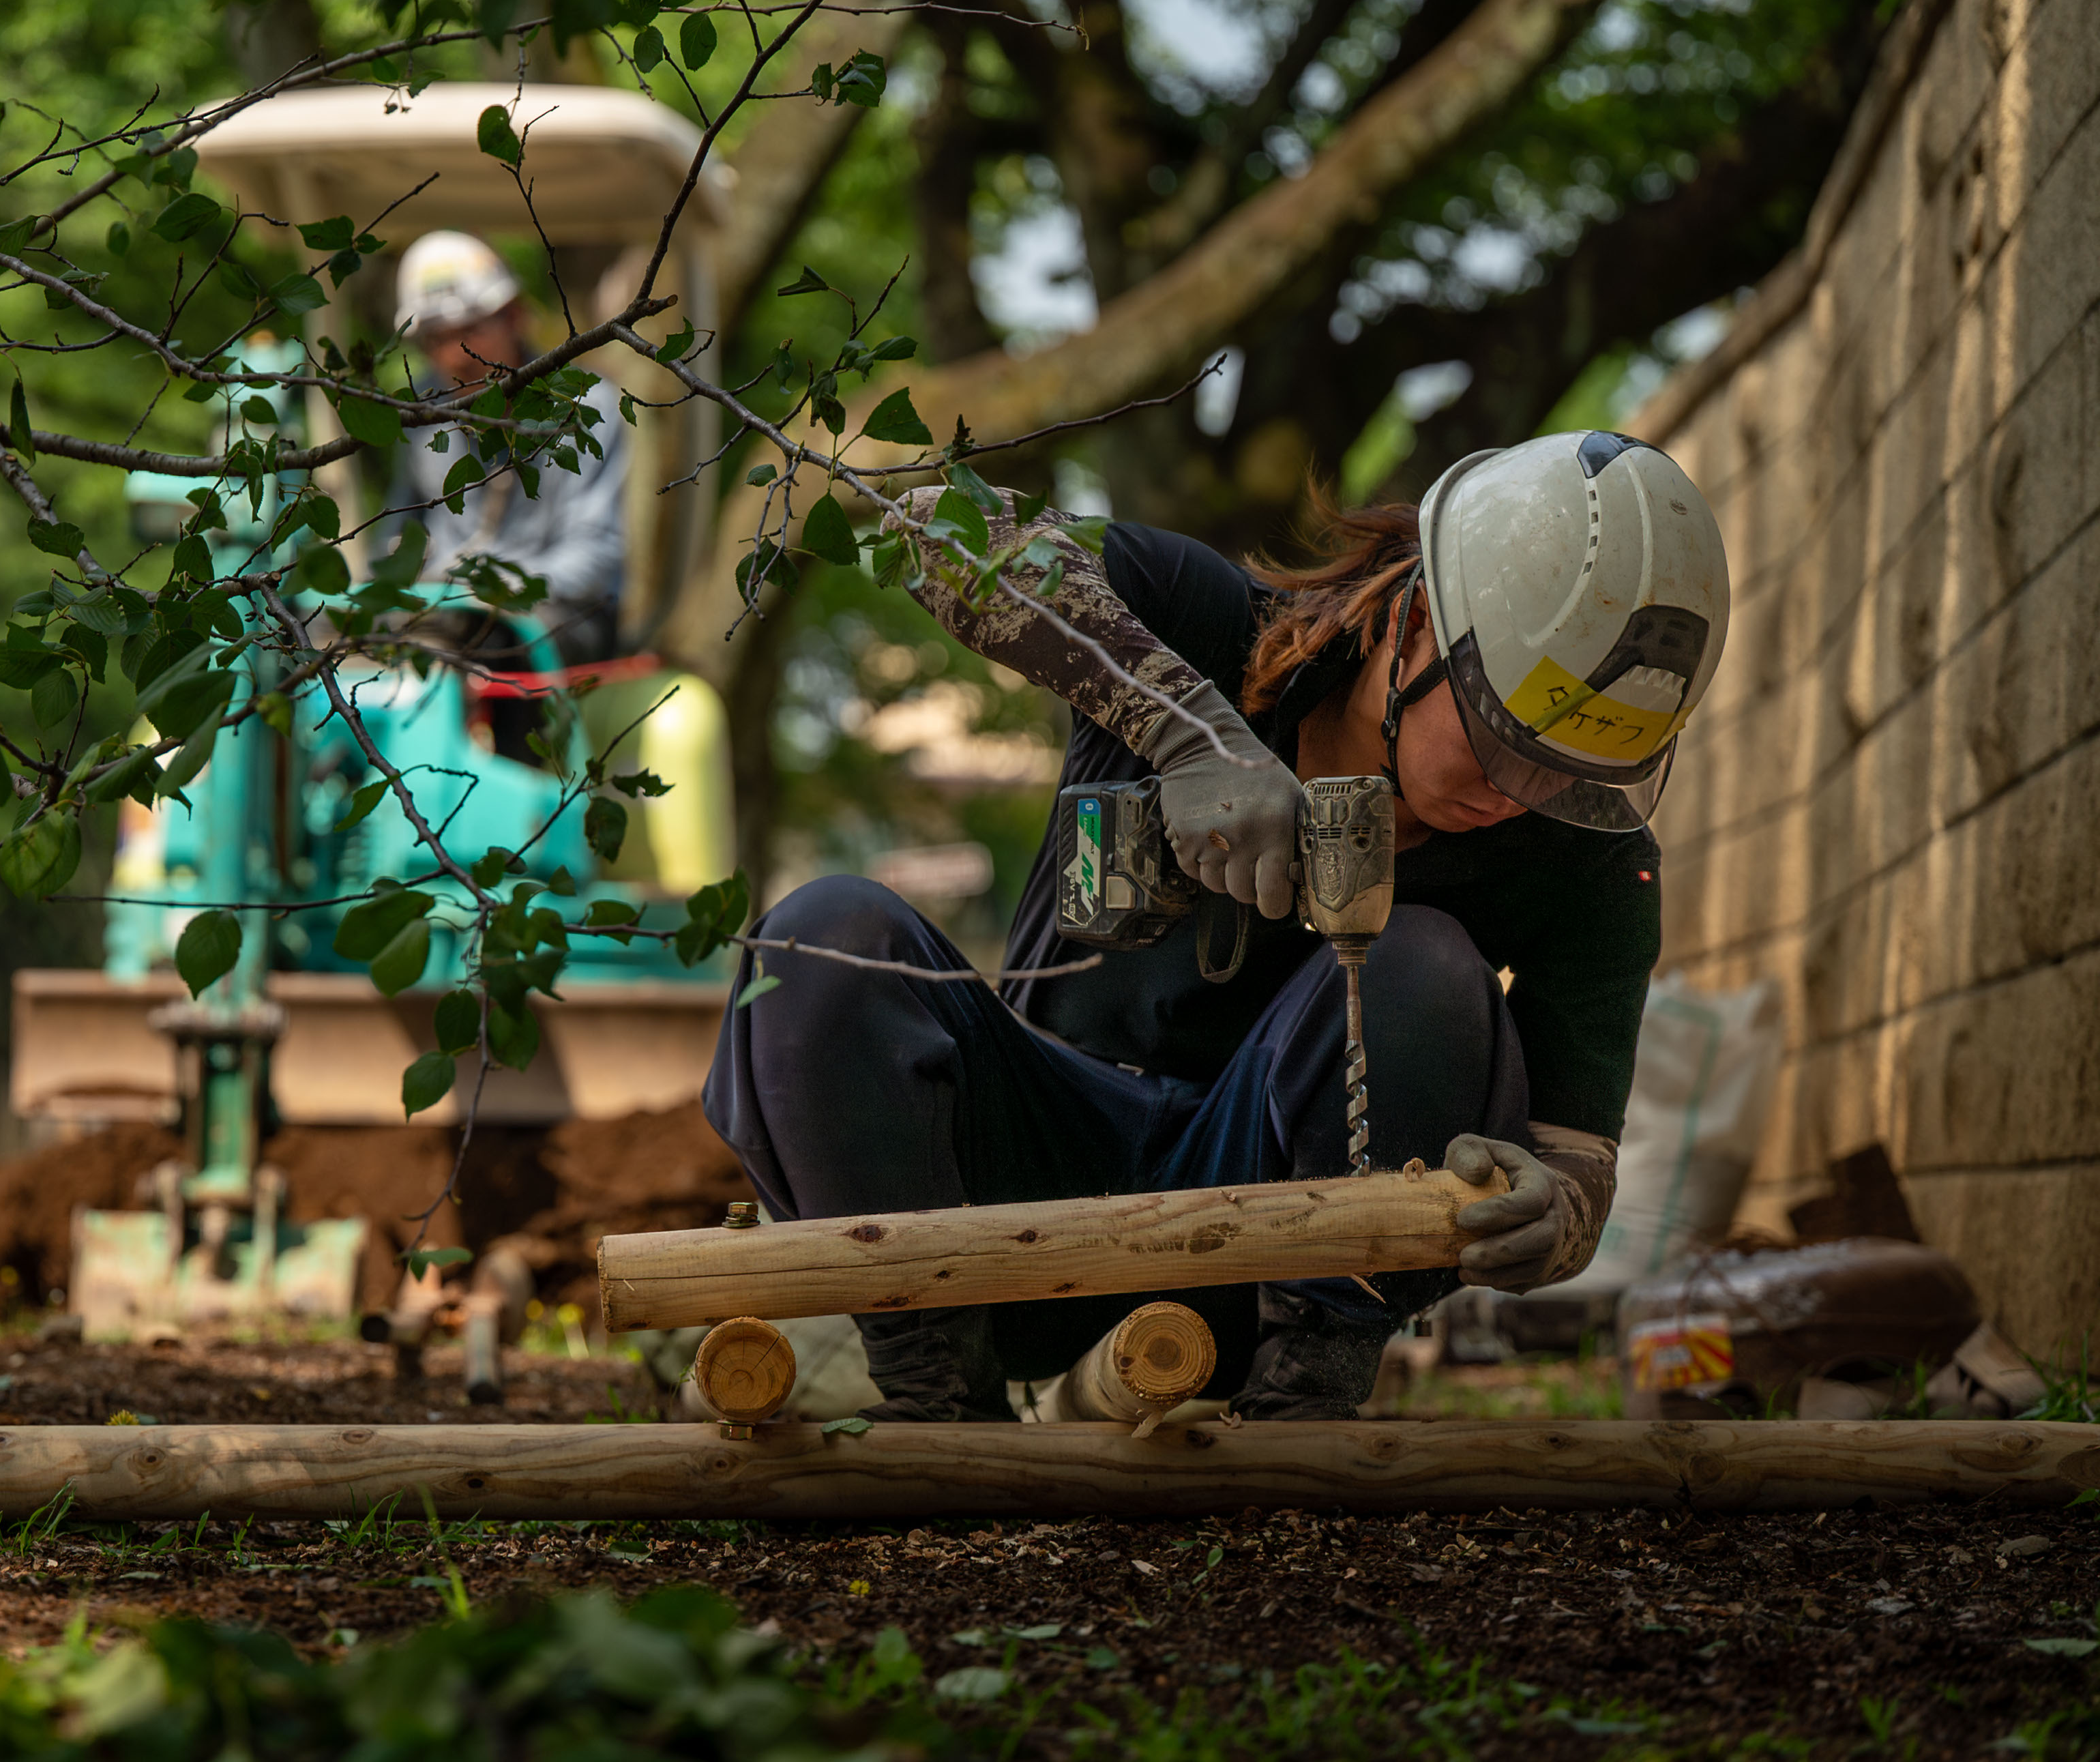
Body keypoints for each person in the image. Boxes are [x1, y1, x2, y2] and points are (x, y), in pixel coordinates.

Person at [703, 432, 1730, 1421]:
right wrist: (1189, 732)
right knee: (815, 941)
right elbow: (927, 529)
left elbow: (1578, 1167)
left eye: (1570, 770)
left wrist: (1550, 1219)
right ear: (1417, 620)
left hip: (1266, 1274)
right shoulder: (1205, 617)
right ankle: (938, 1395)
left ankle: (1304, 1399)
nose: (1522, 792)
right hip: (1012, 1219)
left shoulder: (1593, 868)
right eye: (1505, 737)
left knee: (1422, 962)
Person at [389, 231, 626, 671]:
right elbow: (401, 530)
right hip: (447, 612)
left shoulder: (585, 408)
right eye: (437, 339)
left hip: (562, 613)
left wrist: (490, 593)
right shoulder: (423, 409)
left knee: (485, 645)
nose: (456, 356)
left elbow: (593, 558)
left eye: (471, 330)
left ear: (514, 315)